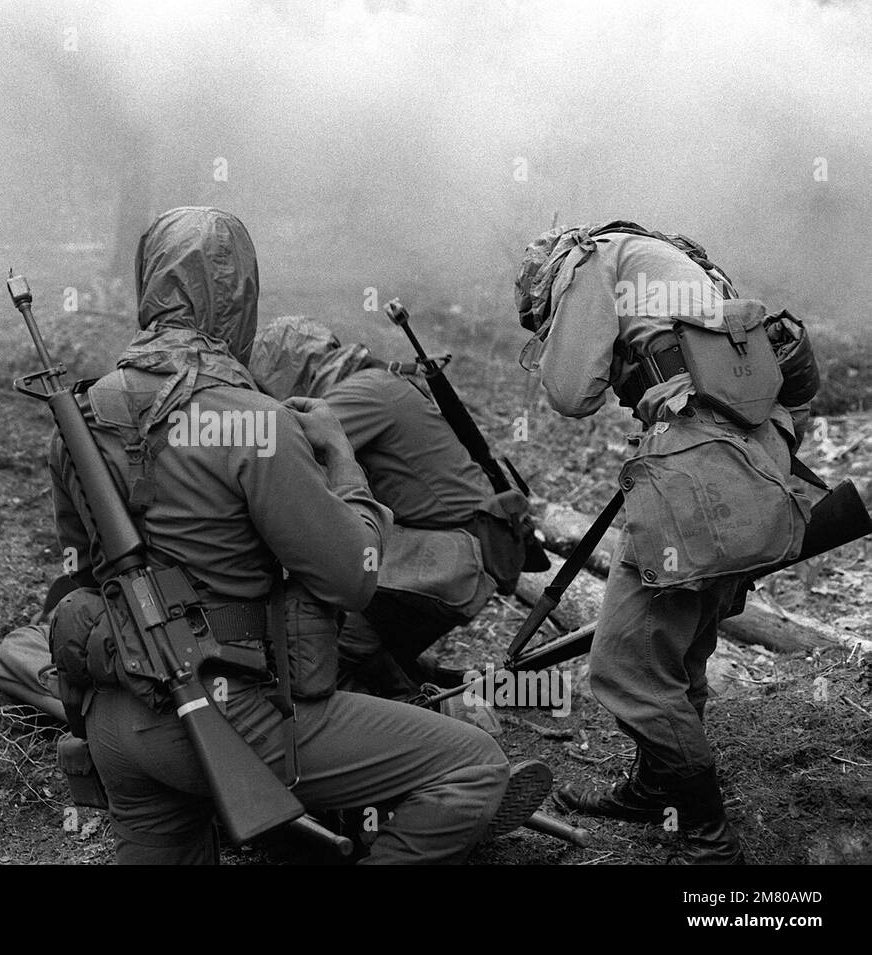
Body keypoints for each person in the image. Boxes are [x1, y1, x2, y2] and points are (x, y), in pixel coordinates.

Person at [49, 206, 549, 865]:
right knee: (474, 766)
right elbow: (353, 573)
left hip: (120, 726)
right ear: (239, 298)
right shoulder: (256, 422)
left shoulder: (78, 419)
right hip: (235, 719)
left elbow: (78, 571)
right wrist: (342, 459)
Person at [514, 222, 812, 863]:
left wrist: (566, 337)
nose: (544, 327)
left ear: (549, 278)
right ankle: (657, 791)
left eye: (542, 319)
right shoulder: (680, 265)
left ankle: (709, 841)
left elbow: (571, 391)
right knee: (681, 651)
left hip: (695, 466)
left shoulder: (592, 260)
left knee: (623, 667)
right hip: (750, 463)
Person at [248, 316, 526, 701]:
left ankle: (434, 720)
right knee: (347, 610)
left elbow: (282, 457)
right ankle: (431, 683)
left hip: (457, 558)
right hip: (458, 553)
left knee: (327, 647)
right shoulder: (373, 384)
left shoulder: (360, 393)